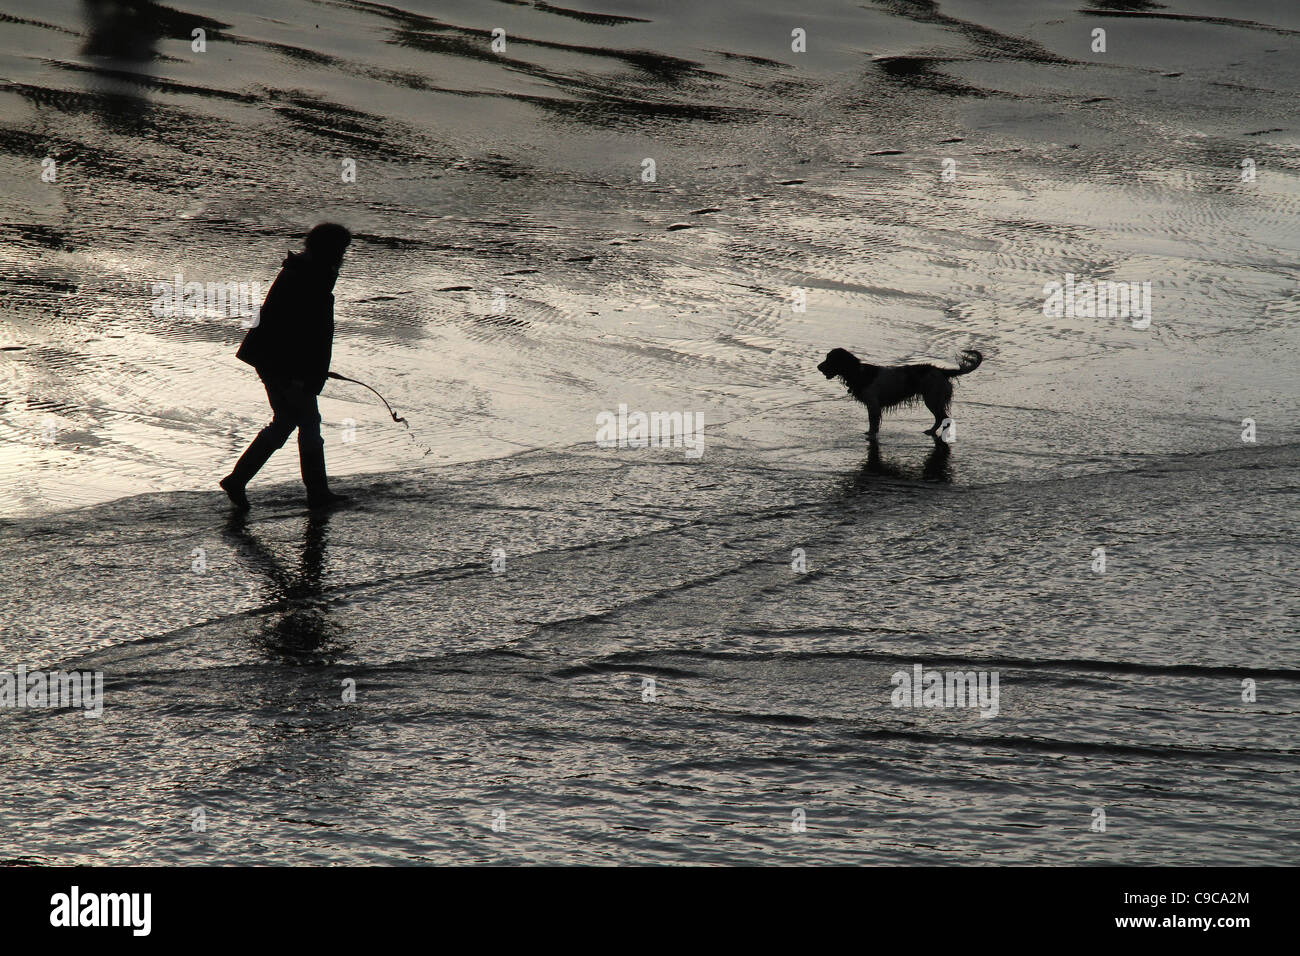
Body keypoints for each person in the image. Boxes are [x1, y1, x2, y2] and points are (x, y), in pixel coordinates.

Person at [220, 223, 352, 511]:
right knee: (302, 422)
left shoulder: (307, 271)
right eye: (342, 249)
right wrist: (299, 377)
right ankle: (316, 493)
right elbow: (298, 334)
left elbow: (307, 335)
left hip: (279, 362)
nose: (344, 255)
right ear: (330, 249)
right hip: (283, 364)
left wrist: (310, 371)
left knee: (290, 422)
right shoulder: (309, 277)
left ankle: (239, 480)